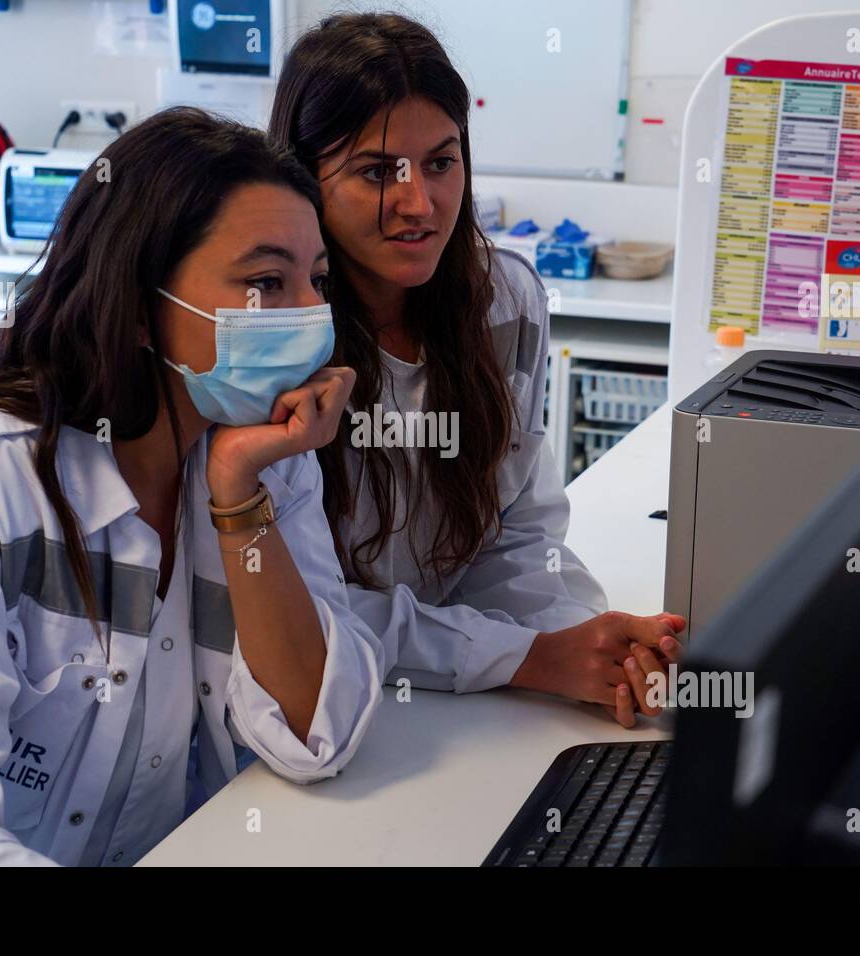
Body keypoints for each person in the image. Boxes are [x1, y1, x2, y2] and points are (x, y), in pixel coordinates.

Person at [0, 108, 383, 867]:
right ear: (137, 308)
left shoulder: (265, 462)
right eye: (265, 282)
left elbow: (315, 732)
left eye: (316, 280)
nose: (308, 315)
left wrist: (236, 494)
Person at [270, 13, 685, 727]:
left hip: (461, 703)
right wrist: (529, 658)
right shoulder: (275, 342)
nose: (419, 203)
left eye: (441, 161)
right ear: (304, 178)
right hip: (317, 717)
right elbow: (298, 610)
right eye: (377, 171)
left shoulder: (506, 303)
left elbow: (515, 537)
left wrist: (591, 646)